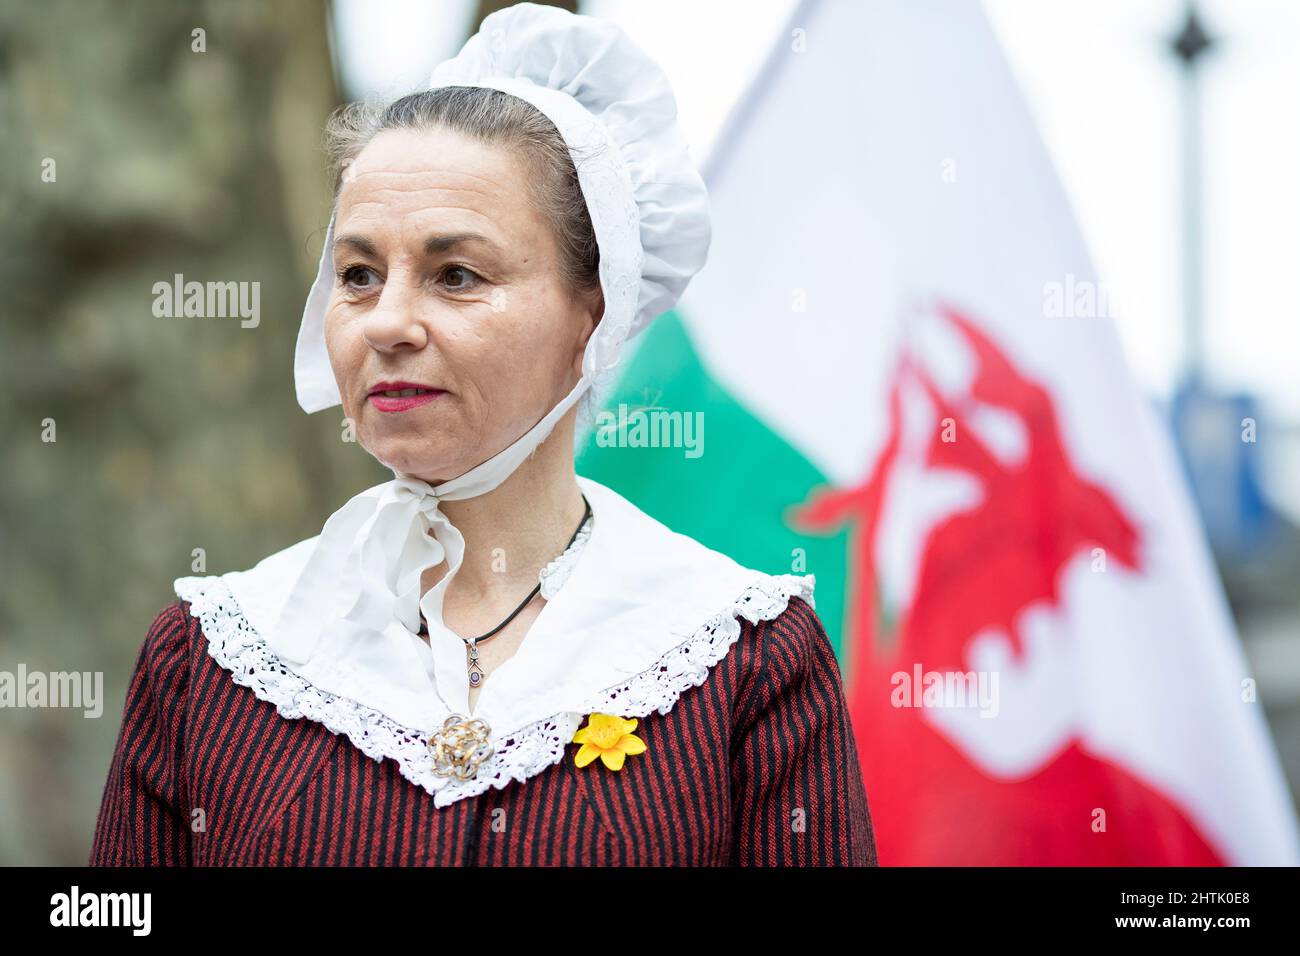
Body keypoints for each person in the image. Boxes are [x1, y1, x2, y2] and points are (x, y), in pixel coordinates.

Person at [89, 2, 876, 866]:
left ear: (597, 310)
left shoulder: (742, 662)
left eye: (455, 274)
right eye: (357, 275)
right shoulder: (211, 660)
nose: (386, 322)